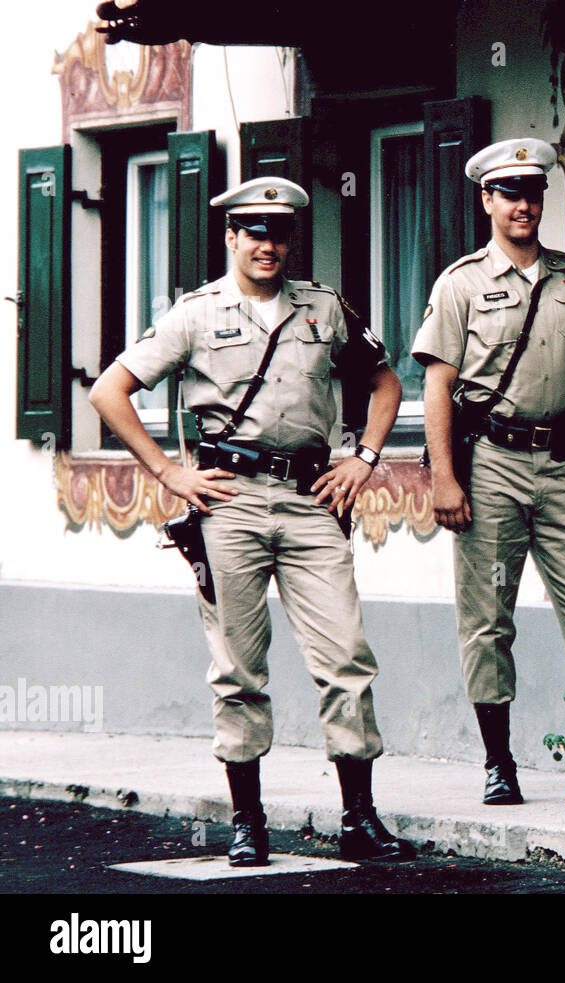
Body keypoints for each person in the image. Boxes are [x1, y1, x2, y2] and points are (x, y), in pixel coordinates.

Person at [89, 176, 415, 866]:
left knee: (347, 657)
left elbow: (385, 380)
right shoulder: (196, 314)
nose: (269, 244)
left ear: (290, 238)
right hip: (228, 502)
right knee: (238, 666)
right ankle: (248, 821)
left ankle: (359, 816)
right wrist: (169, 473)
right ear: (232, 237)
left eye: (280, 232)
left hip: (312, 499)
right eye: (255, 232)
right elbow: (109, 389)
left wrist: (363, 456)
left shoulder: (324, 309)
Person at [411, 138, 565, 806]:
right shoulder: (461, 284)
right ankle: (498, 760)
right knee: (488, 618)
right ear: (487, 200)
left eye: (533, 193)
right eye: (509, 193)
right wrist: (444, 477)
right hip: (492, 465)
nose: (524, 205)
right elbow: (438, 385)